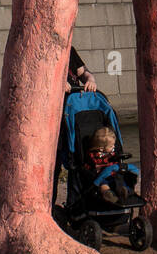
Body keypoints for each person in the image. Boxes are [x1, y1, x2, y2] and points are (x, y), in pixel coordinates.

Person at [51, 46, 97, 208]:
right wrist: (57, 83)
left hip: (74, 114)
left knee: (77, 162)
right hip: (55, 119)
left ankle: (75, 204)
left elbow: (83, 72)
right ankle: (49, 206)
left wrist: (90, 80)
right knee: (54, 166)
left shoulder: (68, 49)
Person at [82, 126, 130, 205]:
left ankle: (116, 191)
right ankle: (110, 193)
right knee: (106, 183)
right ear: (101, 148)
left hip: (110, 175)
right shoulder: (95, 156)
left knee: (111, 182)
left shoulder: (105, 154)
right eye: (111, 146)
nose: (114, 147)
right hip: (102, 175)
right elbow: (88, 166)